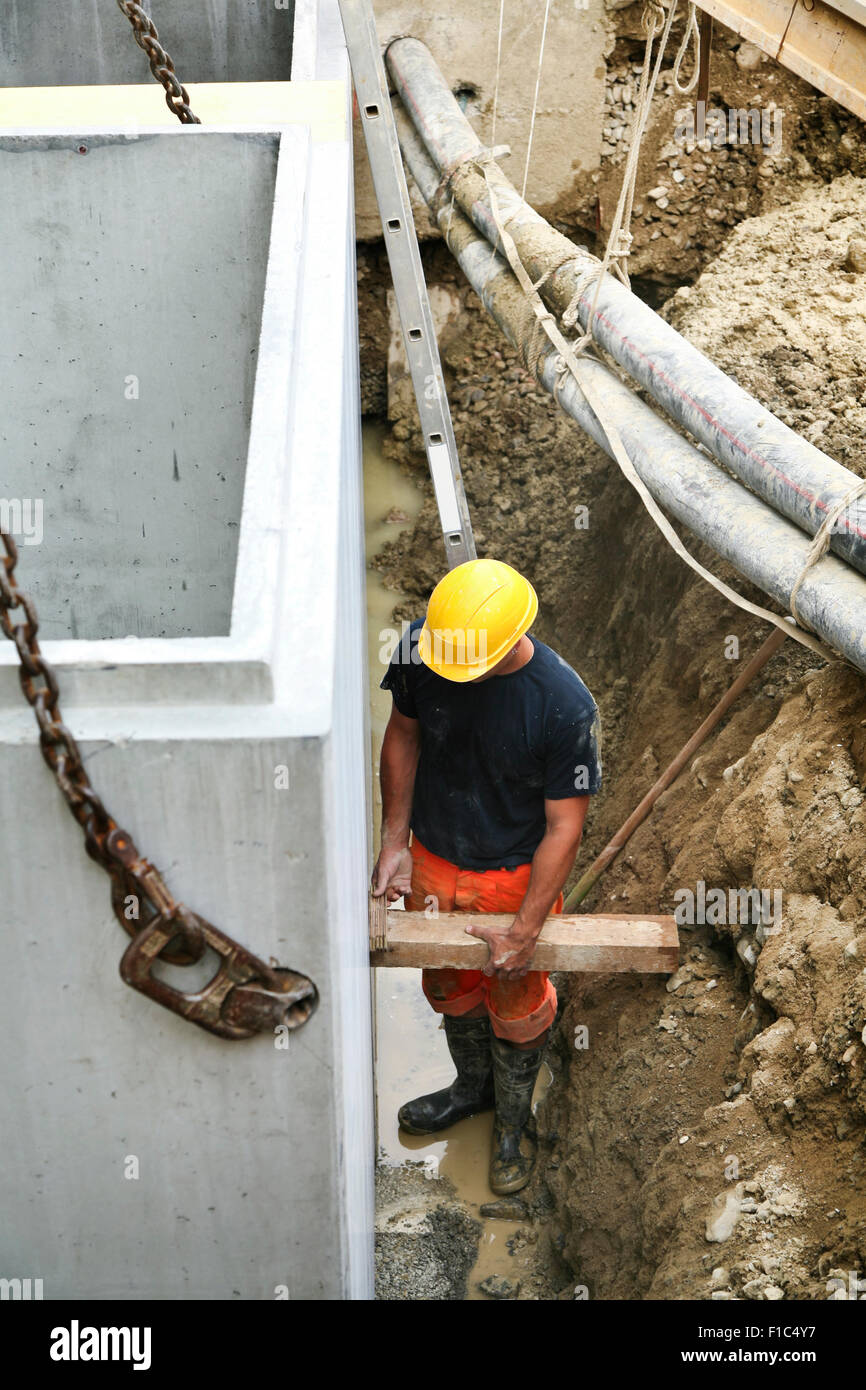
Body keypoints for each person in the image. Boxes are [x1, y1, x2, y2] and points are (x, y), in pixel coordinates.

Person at [372, 557, 602, 1194]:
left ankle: (511, 1121)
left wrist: (528, 925)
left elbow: (565, 828)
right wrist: (395, 842)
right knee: (448, 986)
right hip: (437, 859)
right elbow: (403, 735)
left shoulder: (562, 706)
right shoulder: (425, 646)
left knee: (515, 997)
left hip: (514, 875)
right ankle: (470, 1090)